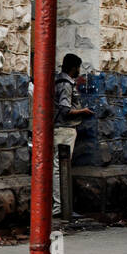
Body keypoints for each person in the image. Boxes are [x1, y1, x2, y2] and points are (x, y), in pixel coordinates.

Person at [52, 53, 93, 219]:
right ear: (73, 67)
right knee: (59, 168)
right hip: (64, 129)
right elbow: (65, 110)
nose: (79, 71)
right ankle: (59, 206)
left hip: (62, 129)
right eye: (78, 67)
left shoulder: (60, 81)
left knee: (59, 167)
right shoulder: (65, 84)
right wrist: (83, 112)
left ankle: (60, 205)